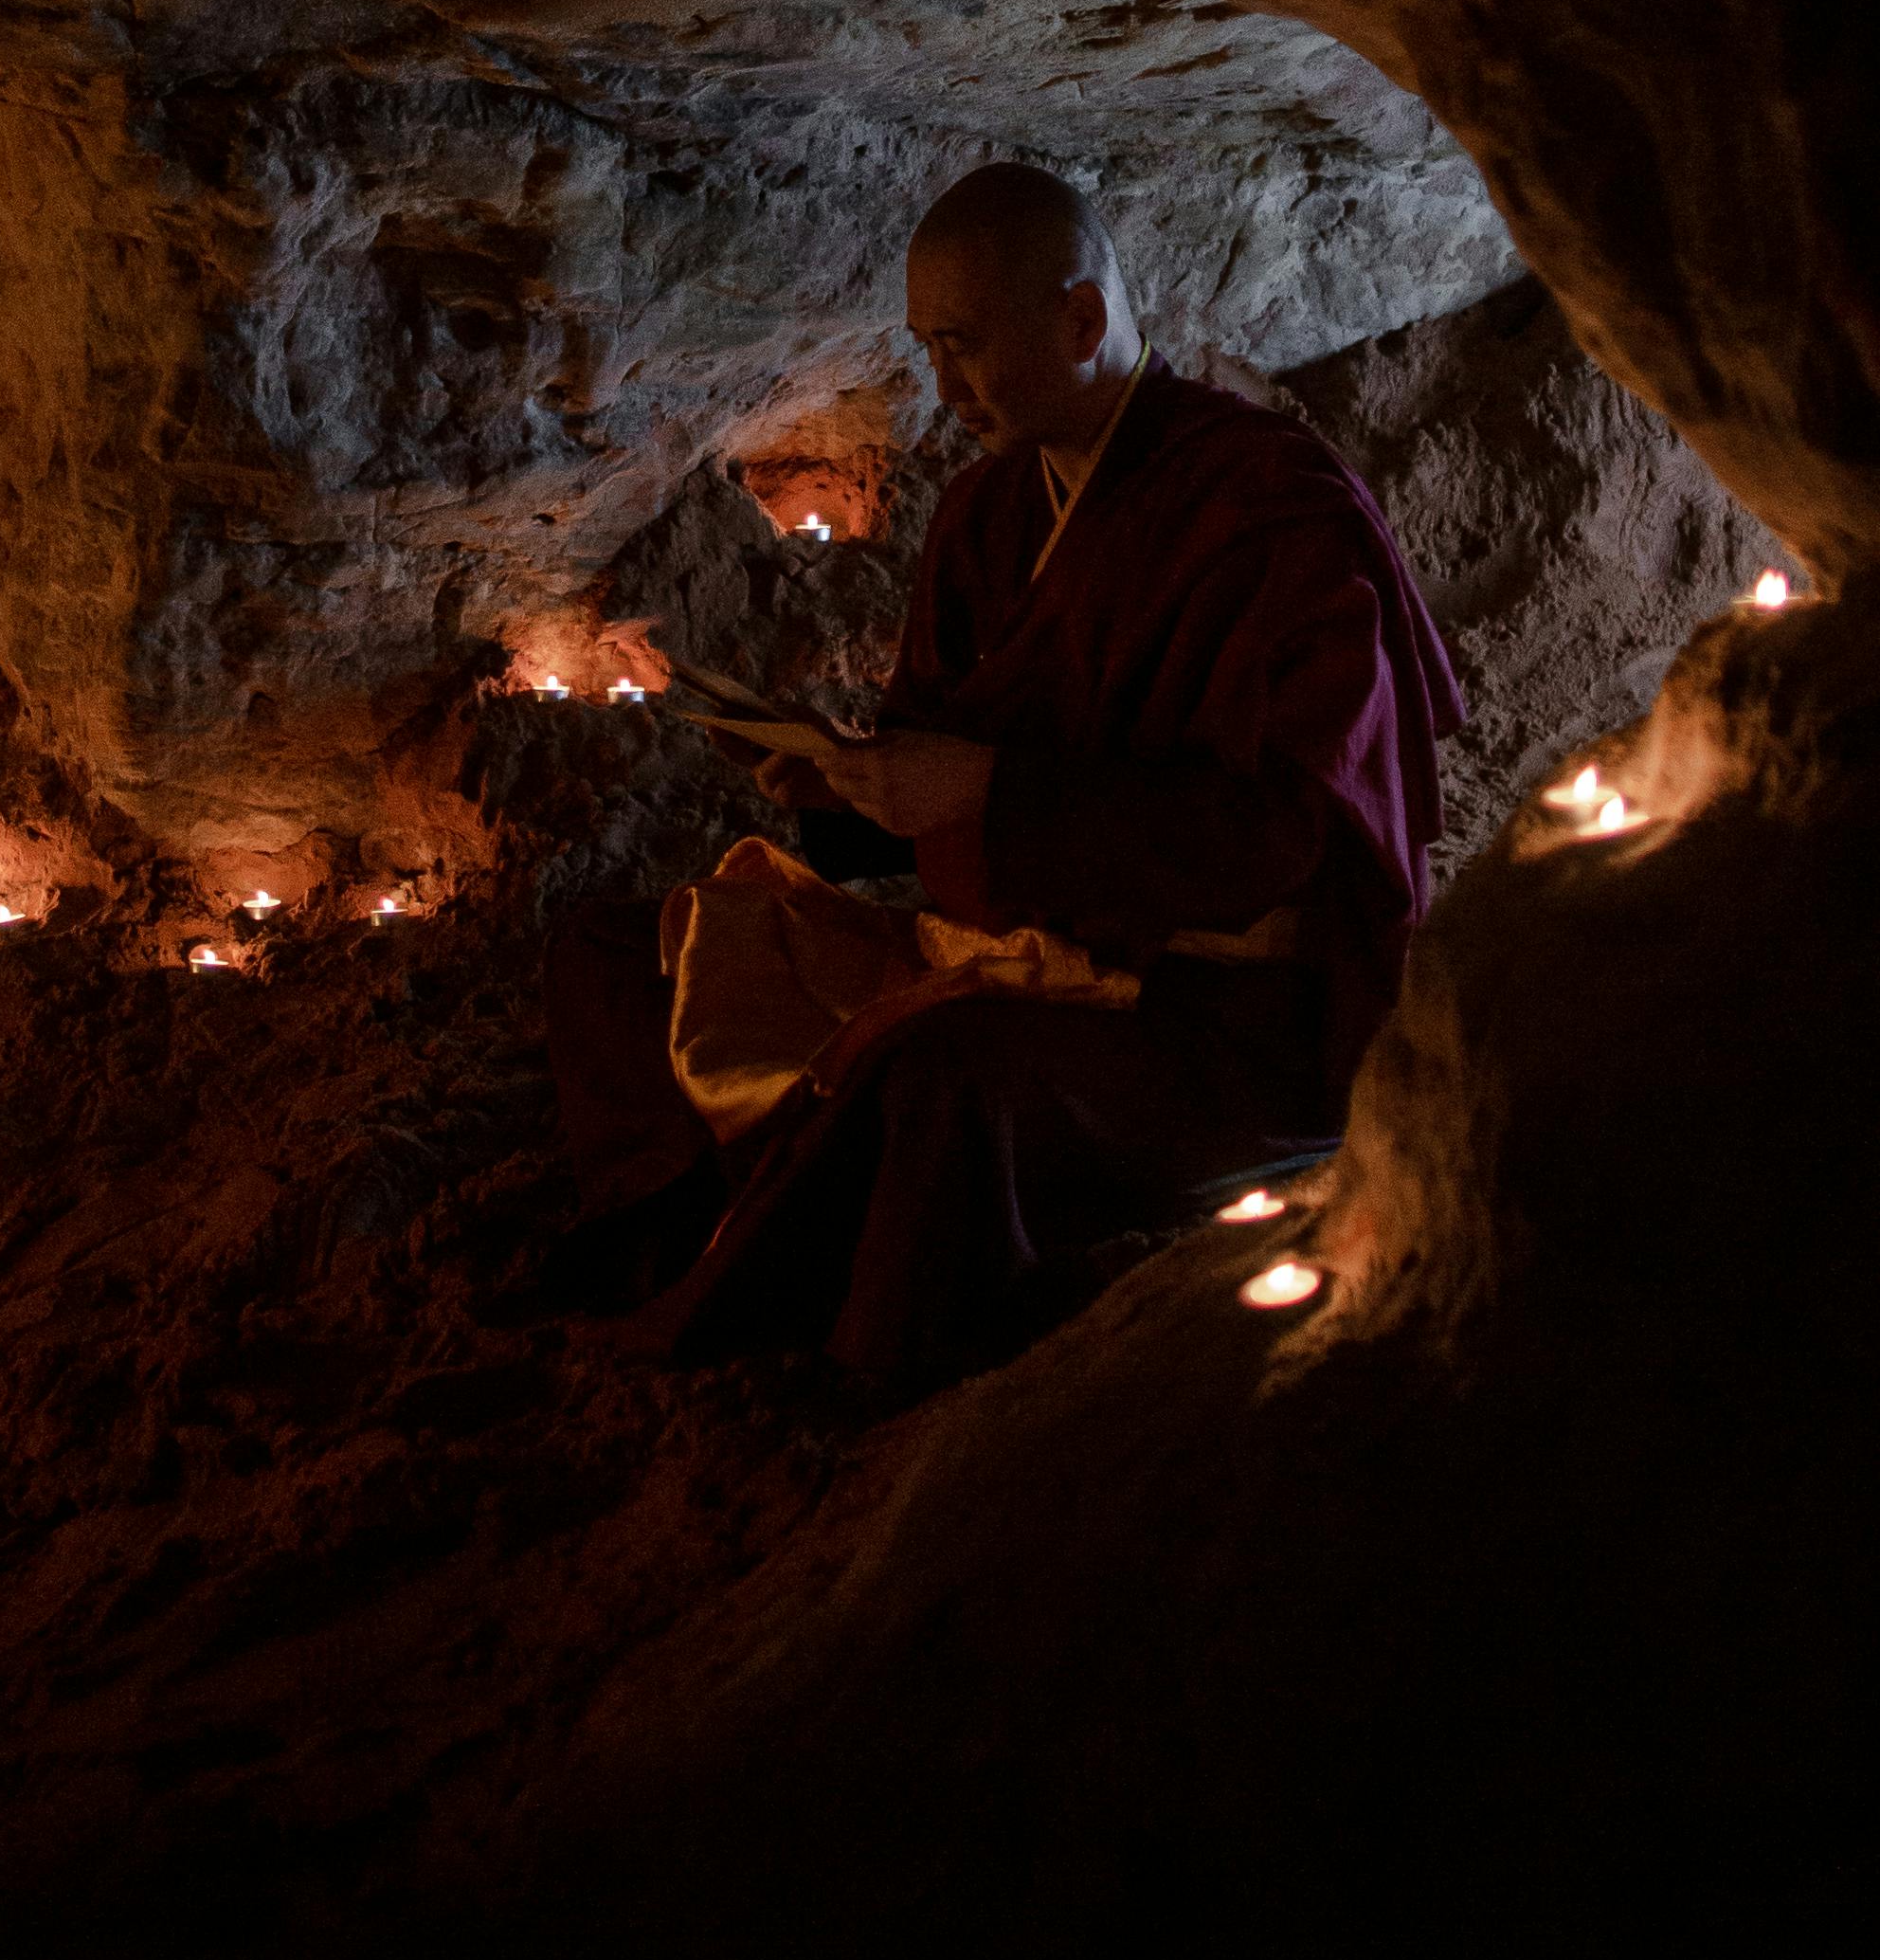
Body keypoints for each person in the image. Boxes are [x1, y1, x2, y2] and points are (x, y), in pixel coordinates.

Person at [544, 163, 1464, 1395]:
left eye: (965, 347)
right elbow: (937, 779)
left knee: (946, 1082)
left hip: (1214, 1021)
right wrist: (831, 788)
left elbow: (1281, 838)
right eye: (928, 349)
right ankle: (682, 1230)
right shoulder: (987, 514)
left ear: (1082, 322)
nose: (942, 389)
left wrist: (985, 796)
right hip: (1007, 949)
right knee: (615, 953)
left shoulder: (1268, 512)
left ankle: (816, 1331)